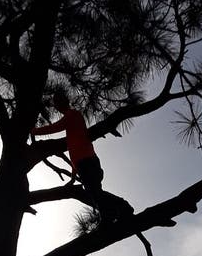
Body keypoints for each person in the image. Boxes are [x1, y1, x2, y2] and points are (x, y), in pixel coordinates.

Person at [31, 90, 133, 221]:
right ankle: (112, 215)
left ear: (63, 102)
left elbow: (55, 128)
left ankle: (122, 207)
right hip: (84, 163)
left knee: (95, 193)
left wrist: (33, 131)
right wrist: (73, 178)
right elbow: (75, 156)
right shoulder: (72, 129)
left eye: (57, 102)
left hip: (88, 162)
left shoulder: (72, 115)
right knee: (95, 193)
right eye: (55, 103)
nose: (56, 105)